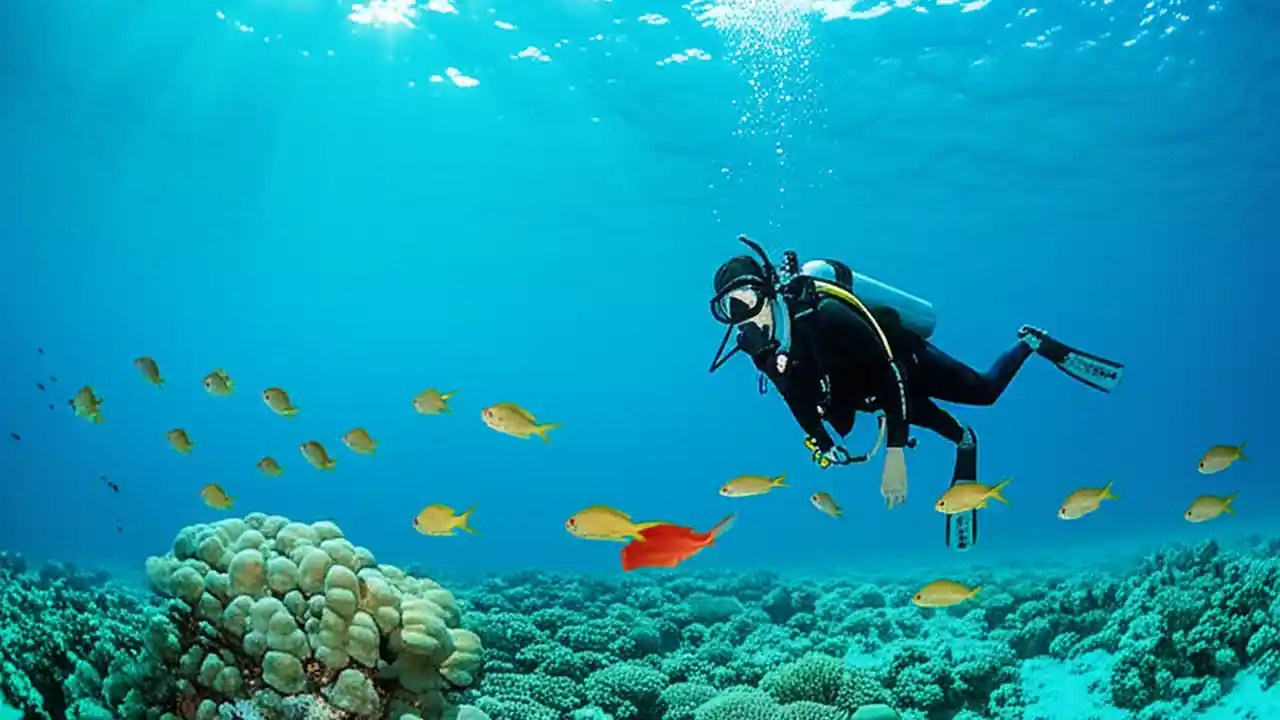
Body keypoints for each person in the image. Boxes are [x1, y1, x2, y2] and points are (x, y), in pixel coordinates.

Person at [708, 236, 1125, 550]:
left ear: (767, 290)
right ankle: (964, 439)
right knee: (944, 430)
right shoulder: (759, 347)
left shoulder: (823, 314)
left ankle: (1030, 343)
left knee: (985, 392)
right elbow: (793, 396)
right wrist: (821, 441)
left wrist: (894, 455)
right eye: (731, 309)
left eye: (748, 300)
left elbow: (888, 371)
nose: (744, 317)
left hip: (905, 366)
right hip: (874, 399)